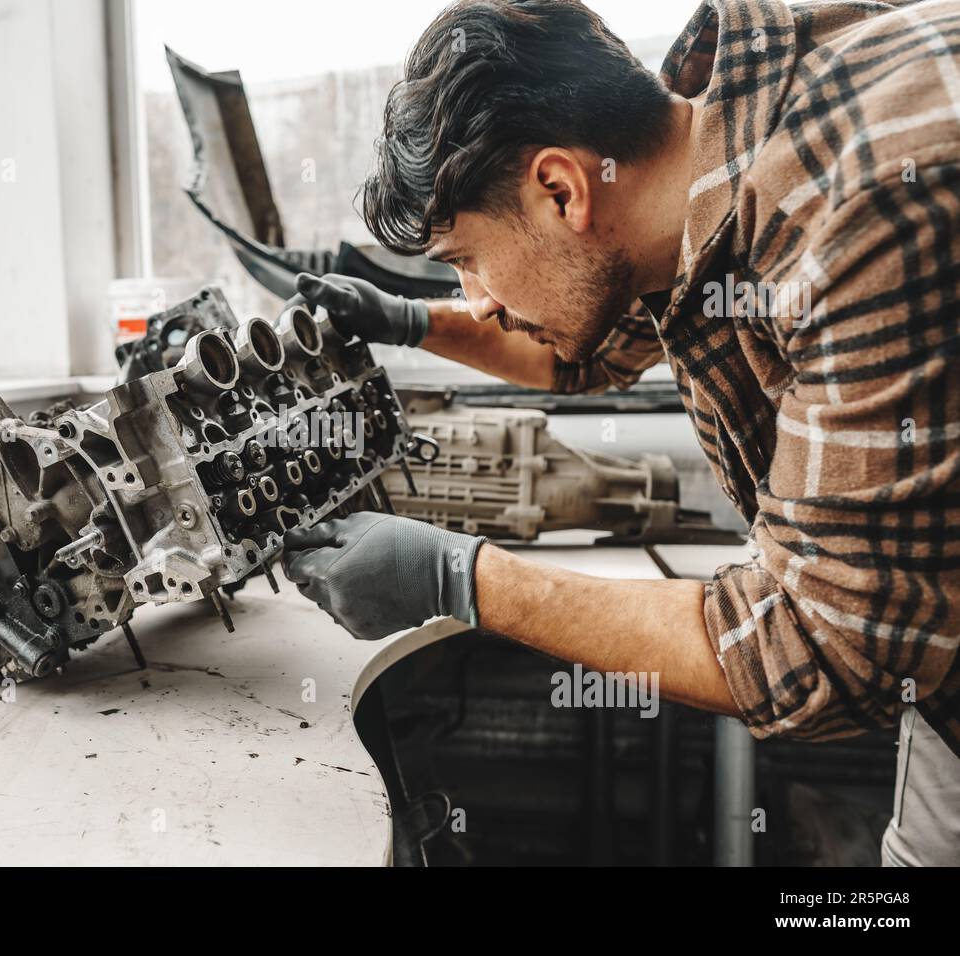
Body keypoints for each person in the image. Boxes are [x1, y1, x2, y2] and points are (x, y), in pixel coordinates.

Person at [279, 0, 960, 865]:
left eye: (466, 261)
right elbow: (587, 352)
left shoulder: (853, 205)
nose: (478, 297)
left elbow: (817, 647)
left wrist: (457, 578)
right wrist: (412, 322)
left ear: (559, 188)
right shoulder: (687, 143)